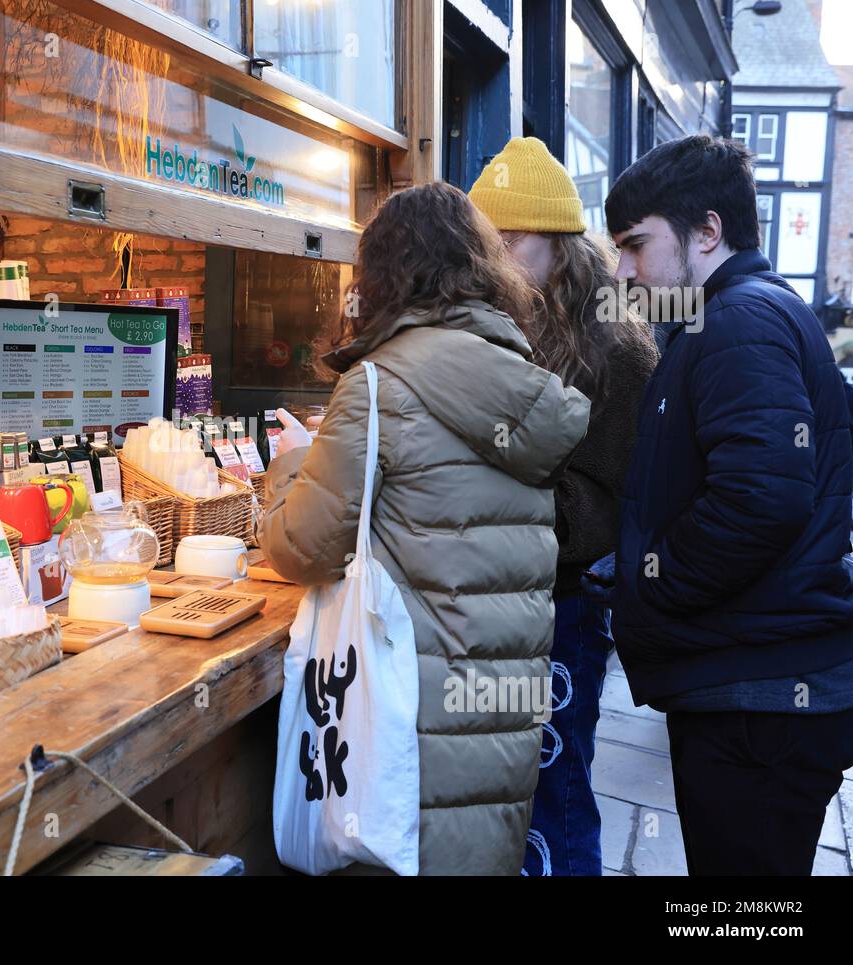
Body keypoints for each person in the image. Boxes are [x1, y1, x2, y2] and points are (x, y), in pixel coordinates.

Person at [257, 181, 591, 875]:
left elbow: (305, 545)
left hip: (409, 721)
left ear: (380, 275)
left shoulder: (379, 383)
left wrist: (289, 465)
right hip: (497, 719)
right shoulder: (519, 374)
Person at [604, 135, 853, 875]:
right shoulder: (738, 315)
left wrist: (652, 578)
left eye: (636, 245)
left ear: (707, 232)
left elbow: (762, 498)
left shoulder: (738, 321)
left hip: (760, 706)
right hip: (763, 692)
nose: (622, 271)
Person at [469, 137, 659, 876]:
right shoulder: (499, 318)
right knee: (508, 791)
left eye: (511, 240)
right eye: (490, 243)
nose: (499, 258)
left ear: (557, 241)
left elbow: (630, 496)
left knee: (559, 786)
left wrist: (529, 501)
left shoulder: (616, 344)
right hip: (500, 599)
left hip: (569, 607)